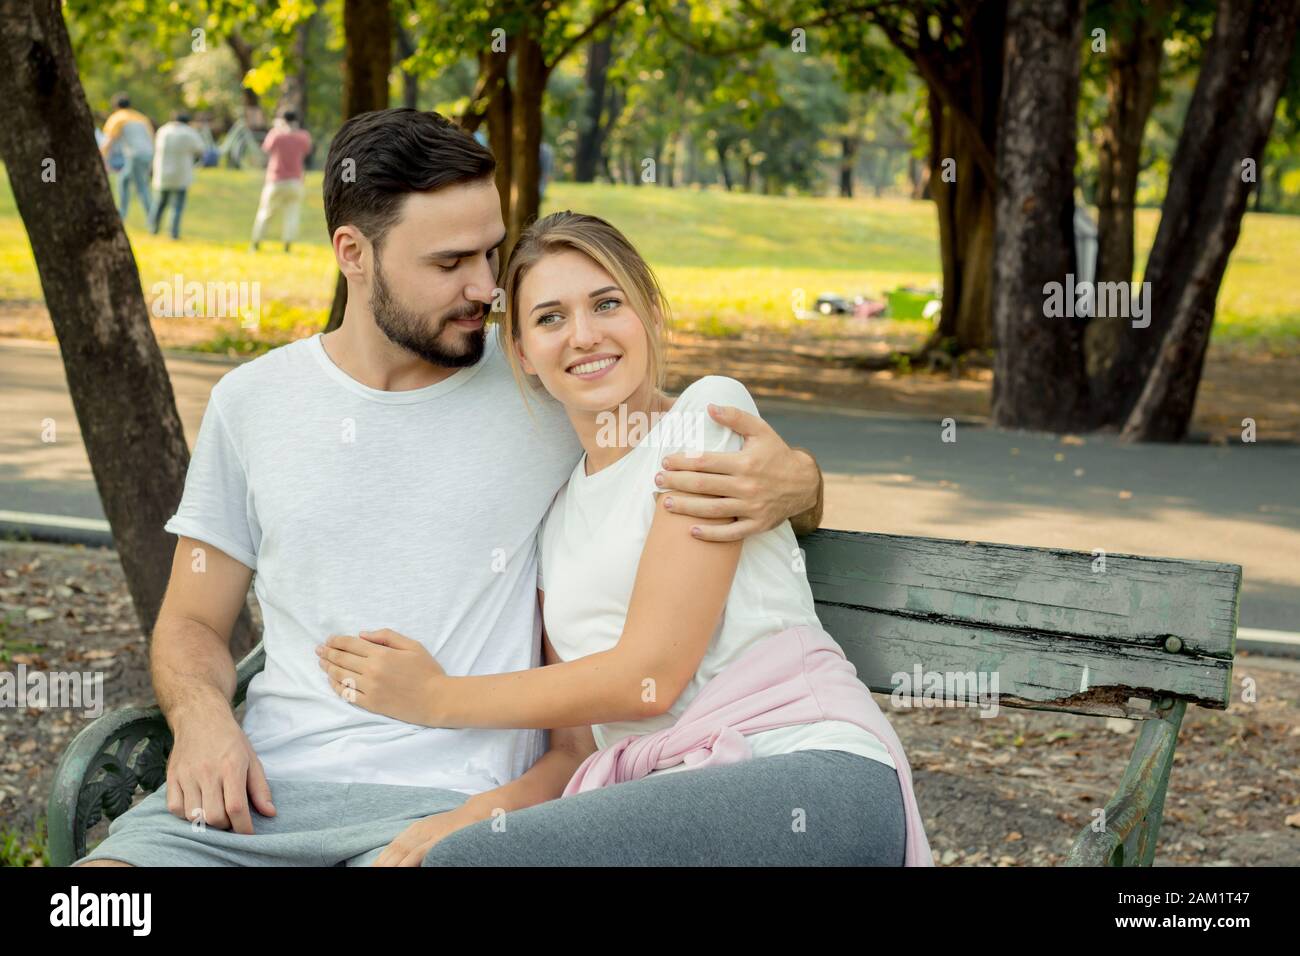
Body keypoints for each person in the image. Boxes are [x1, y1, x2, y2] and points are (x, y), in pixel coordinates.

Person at [72, 108, 824, 868]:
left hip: (450, 815)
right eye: (450, 263)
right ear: (353, 252)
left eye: (492, 253)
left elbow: (701, 436)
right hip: (255, 800)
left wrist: (800, 481)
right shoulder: (252, 402)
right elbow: (194, 622)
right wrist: (204, 720)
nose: (486, 288)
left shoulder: (543, 379)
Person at [316, 212, 933, 867]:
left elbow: (651, 675)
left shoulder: (707, 417)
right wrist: (475, 815)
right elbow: (577, 751)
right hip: (667, 804)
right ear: (522, 352)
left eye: (607, 304)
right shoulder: (555, 523)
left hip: (803, 763)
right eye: (551, 318)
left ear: (650, 315)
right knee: (458, 854)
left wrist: (435, 699)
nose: (584, 336)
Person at [250, 110, 313, 253]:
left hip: (276, 180)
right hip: (295, 181)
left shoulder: (276, 134)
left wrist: (278, 127)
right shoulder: (303, 136)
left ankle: (256, 242)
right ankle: (287, 245)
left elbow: (266, 149)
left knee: (265, 213)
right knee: (292, 214)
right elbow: (307, 150)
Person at [149, 112, 207, 239]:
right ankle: (173, 233)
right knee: (177, 206)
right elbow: (200, 150)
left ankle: (153, 228)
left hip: (162, 172)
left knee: (160, 202)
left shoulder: (163, 130)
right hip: (181, 173)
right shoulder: (189, 132)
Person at [101, 92, 154, 222]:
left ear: (115, 106)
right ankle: (123, 215)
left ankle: (152, 219)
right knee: (124, 181)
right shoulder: (141, 117)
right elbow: (151, 137)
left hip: (135, 155)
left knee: (140, 186)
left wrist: (101, 156)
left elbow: (108, 141)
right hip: (147, 154)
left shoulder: (118, 118)